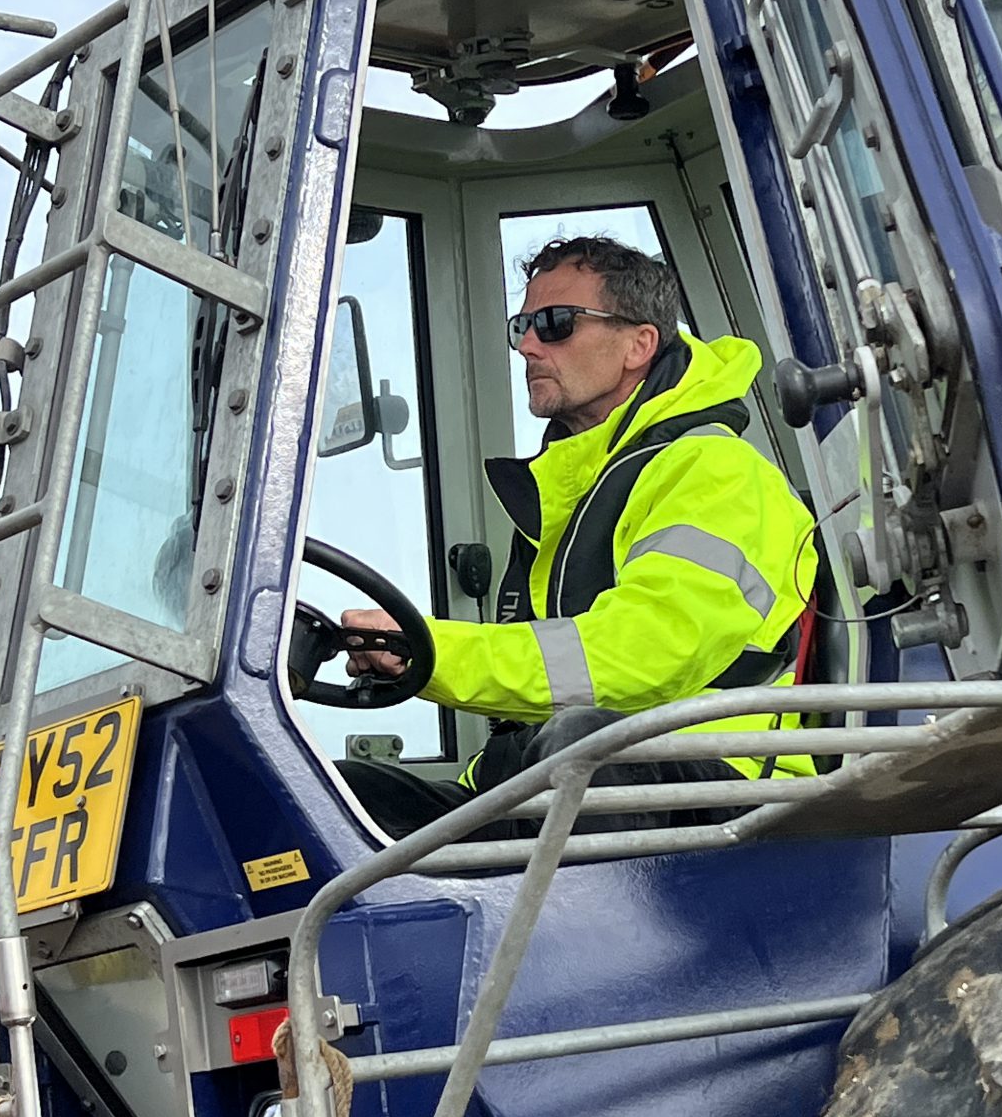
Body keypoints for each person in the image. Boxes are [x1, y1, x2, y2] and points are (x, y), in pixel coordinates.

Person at [338, 235, 818, 839]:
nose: (528, 346)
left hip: (719, 796)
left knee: (584, 747)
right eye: (523, 326)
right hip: (551, 778)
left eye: (556, 323)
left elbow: (639, 655)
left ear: (639, 344)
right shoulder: (567, 490)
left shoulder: (717, 473)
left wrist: (430, 651)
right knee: (333, 795)